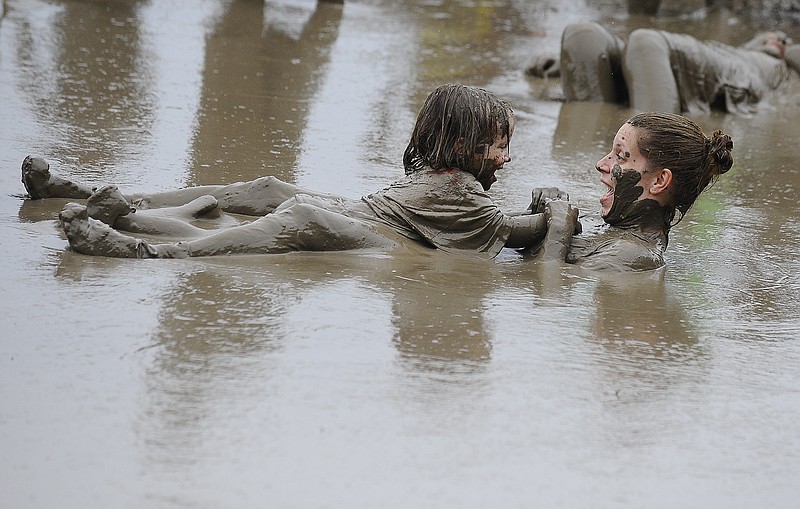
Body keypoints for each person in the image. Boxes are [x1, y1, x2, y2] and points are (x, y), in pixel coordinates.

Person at [27, 84, 570, 259]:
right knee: (273, 193)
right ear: (461, 146)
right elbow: (530, 232)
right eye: (499, 146)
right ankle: (123, 221)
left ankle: (130, 222)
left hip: (356, 216)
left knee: (281, 202)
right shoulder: (465, 198)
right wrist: (559, 209)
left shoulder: (450, 184)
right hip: (358, 217)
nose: (506, 158)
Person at [542, 111, 734, 271]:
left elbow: (550, 284)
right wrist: (541, 211)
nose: (600, 164)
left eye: (620, 157)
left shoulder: (632, 254)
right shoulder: (602, 225)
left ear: (659, 181)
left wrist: (558, 227)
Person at [528, 22, 799, 114]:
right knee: (583, 35)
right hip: (685, 61)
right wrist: (564, 65)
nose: (777, 39)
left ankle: (647, 146)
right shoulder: (738, 49)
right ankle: (585, 142)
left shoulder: (777, 67)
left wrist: (785, 49)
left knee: (645, 41)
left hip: (729, 74)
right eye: (773, 36)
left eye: (782, 40)